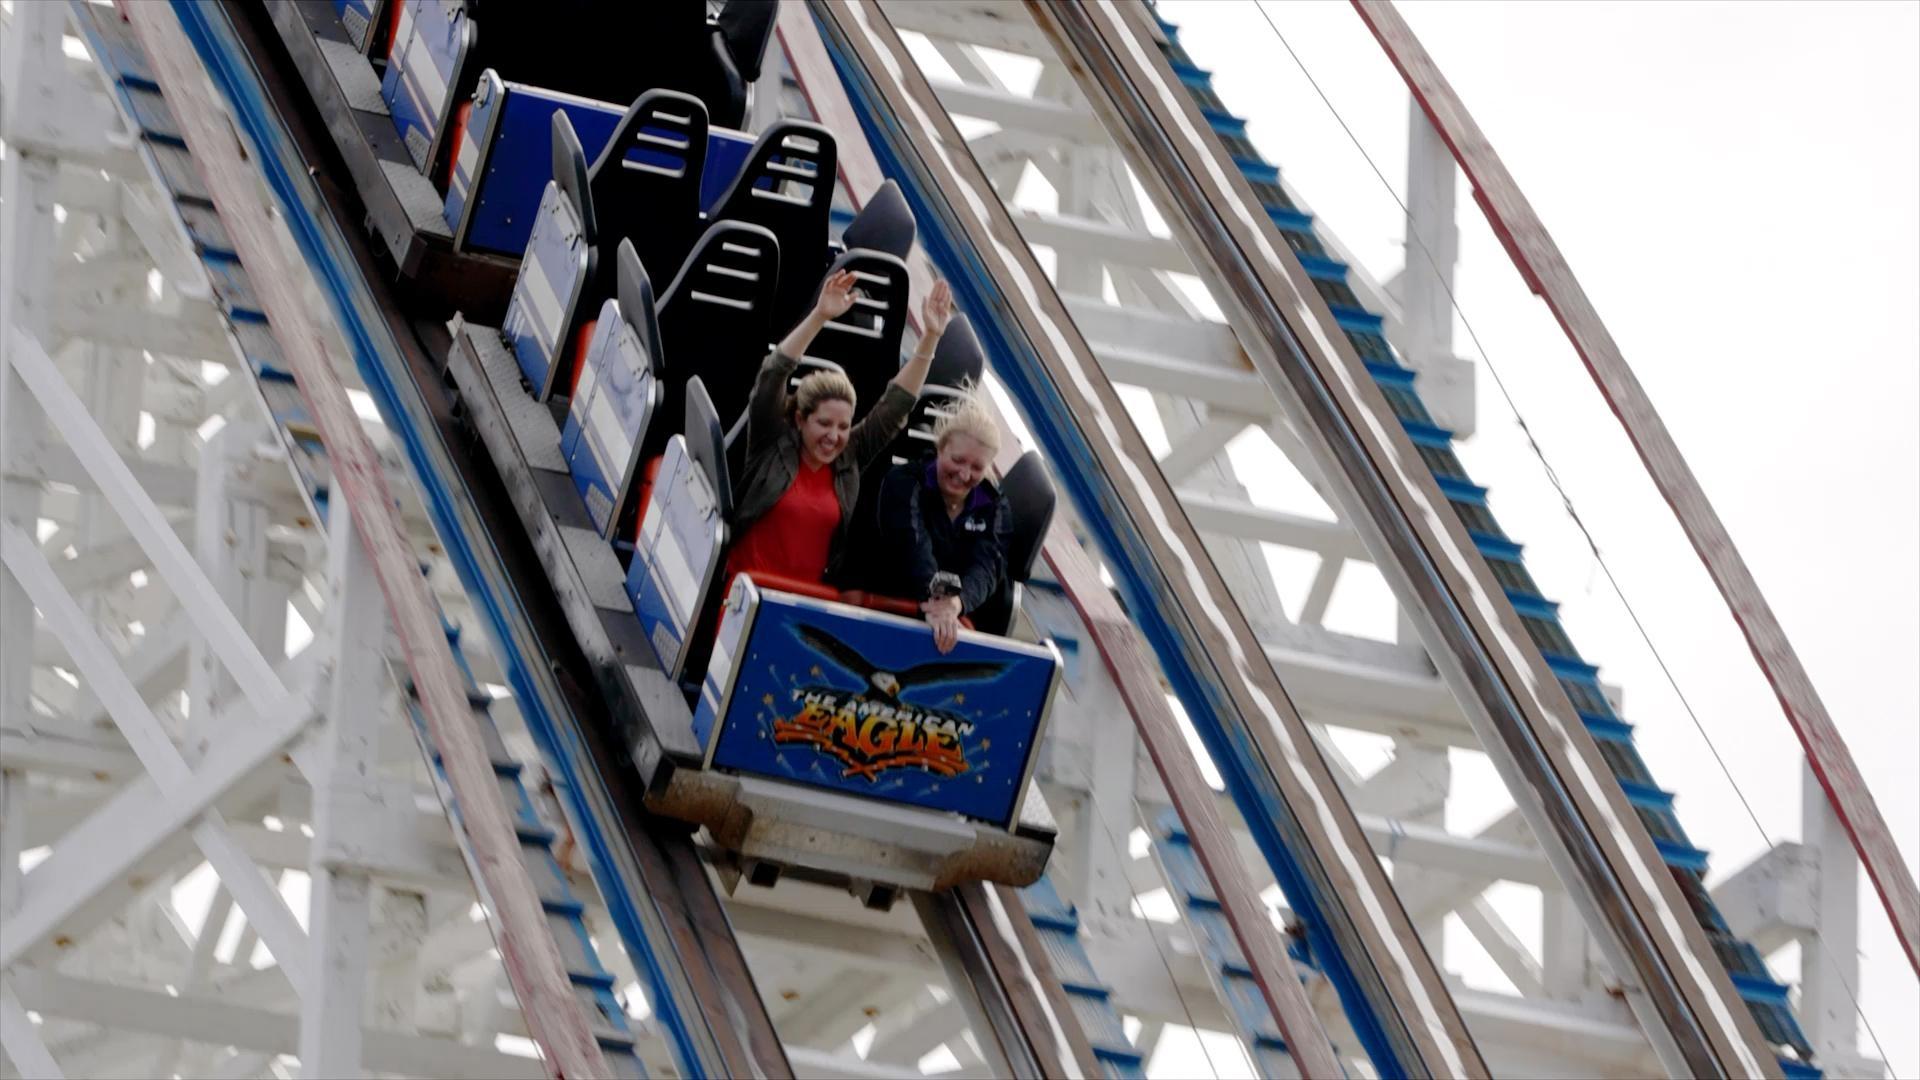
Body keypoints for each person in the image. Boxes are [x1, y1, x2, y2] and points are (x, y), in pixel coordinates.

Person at [725, 270, 956, 592]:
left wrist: (931, 337)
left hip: (799, 605)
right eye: (824, 424)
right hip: (740, 590)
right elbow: (773, 373)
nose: (834, 436)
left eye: (843, 427)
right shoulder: (771, 443)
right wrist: (820, 316)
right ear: (800, 419)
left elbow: (896, 405)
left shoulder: (848, 460)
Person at [863, 390, 1009, 654]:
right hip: (887, 610)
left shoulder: (992, 503)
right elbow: (912, 543)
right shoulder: (904, 481)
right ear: (940, 448)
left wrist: (958, 604)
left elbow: (989, 563)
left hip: (947, 622)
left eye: (977, 468)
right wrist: (938, 603)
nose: (964, 474)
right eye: (957, 460)